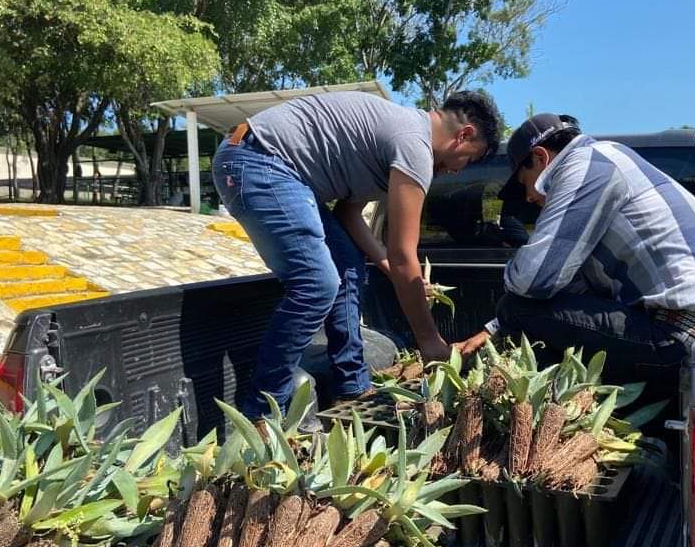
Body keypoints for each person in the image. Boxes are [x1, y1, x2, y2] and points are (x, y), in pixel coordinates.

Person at [213, 90, 502, 418]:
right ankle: (263, 415)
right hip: (258, 159)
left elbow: (348, 215)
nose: (458, 170)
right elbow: (403, 254)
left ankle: (351, 387)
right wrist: (431, 343)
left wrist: (390, 268)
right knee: (316, 284)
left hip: (279, 170)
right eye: (468, 160)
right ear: (464, 135)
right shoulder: (415, 144)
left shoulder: (399, 140)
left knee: (349, 263)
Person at [457, 114, 695, 384]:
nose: (528, 197)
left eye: (525, 183)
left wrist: (512, 283)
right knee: (519, 313)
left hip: (684, 339)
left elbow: (533, 280)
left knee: (515, 307)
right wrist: (493, 328)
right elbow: (571, 285)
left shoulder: (586, 167)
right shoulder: (610, 158)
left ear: (540, 157)